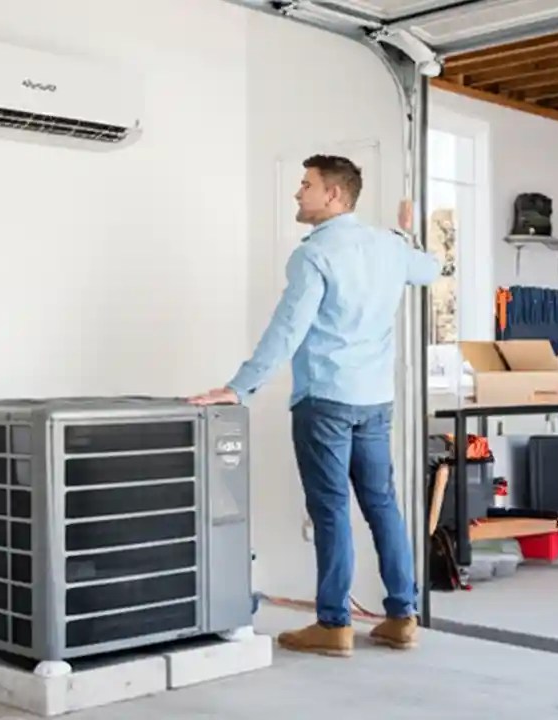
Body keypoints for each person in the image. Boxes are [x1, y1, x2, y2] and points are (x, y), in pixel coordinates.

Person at [188, 154, 441, 658]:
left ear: (333, 195)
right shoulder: (387, 248)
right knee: (382, 506)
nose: (297, 193)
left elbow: (287, 330)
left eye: (306, 185)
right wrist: (406, 235)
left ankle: (333, 625)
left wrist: (240, 388)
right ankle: (401, 616)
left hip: (326, 400)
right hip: (374, 400)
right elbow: (430, 269)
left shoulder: (313, 256)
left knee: (331, 512)